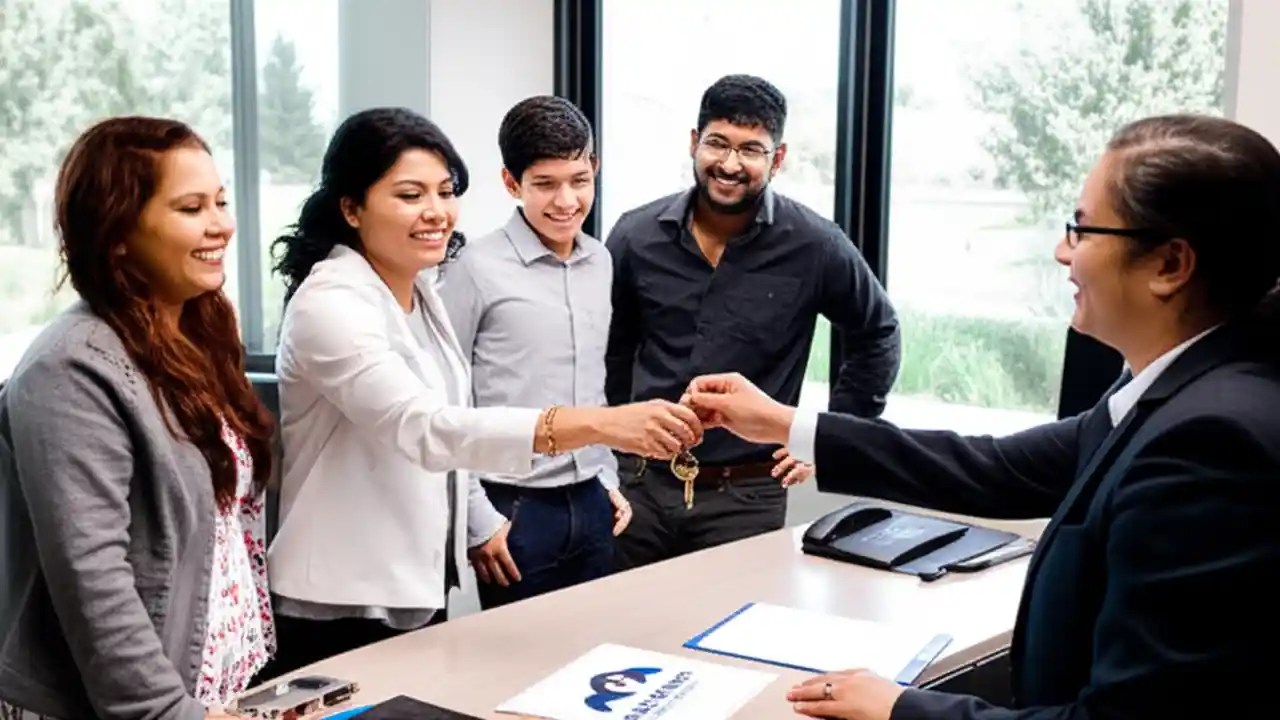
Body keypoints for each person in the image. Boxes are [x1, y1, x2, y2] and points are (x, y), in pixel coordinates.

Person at [684, 114, 1280, 719]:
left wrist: (900, 709)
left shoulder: (1212, 442)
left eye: (1082, 228)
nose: (1061, 251)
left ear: (1170, 266)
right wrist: (786, 424)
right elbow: (997, 467)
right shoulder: (1186, 392)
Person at [265, 107, 702, 674]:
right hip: (342, 595)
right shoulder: (332, 303)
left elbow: (459, 409)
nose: (436, 212)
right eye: (409, 194)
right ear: (351, 207)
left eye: (446, 191)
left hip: (416, 582)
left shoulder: (417, 291)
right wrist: (600, 425)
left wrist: (597, 464)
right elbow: (429, 426)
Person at [0, 117, 276, 719]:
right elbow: (92, 577)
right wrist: (165, 712)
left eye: (220, 202)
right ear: (118, 232)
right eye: (190, 207)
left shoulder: (195, 332)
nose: (221, 224)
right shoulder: (68, 370)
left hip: (213, 691)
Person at [605, 73, 901, 569]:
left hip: (745, 496)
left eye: (751, 150)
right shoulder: (635, 235)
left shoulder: (815, 244)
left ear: (777, 158)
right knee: (619, 633)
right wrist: (608, 442)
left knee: (725, 638)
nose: (729, 164)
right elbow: (608, 347)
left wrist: (829, 438)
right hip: (637, 486)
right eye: (717, 143)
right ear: (695, 143)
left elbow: (877, 333)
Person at [438, 96, 626, 608]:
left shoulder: (602, 262)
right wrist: (478, 519)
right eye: (545, 184)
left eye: (579, 180)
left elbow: (593, 385)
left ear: (595, 169)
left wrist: (606, 478)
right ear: (511, 183)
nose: (566, 200)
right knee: (519, 670)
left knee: (595, 652)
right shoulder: (474, 268)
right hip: (512, 505)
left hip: (592, 499)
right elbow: (445, 404)